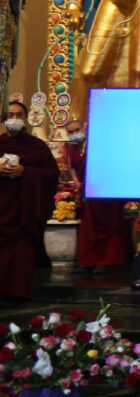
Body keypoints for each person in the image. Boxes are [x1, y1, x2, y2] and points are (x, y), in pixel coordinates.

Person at [0, 101, 60, 300]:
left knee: (21, 253)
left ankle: (19, 295)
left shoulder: (36, 147)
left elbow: (52, 175)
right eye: (11, 115)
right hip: (2, 209)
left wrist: (25, 172)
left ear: (25, 119)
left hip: (23, 213)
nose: (14, 119)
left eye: (19, 115)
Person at [62, 118, 129, 274]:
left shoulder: (98, 144)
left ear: (85, 129)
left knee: (108, 225)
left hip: (102, 192)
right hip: (85, 192)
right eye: (71, 132)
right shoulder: (71, 149)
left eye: (77, 130)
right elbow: (72, 167)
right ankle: (88, 263)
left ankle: (105, 262)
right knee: (88, 228)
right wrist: (78, 184)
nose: (74, 134)